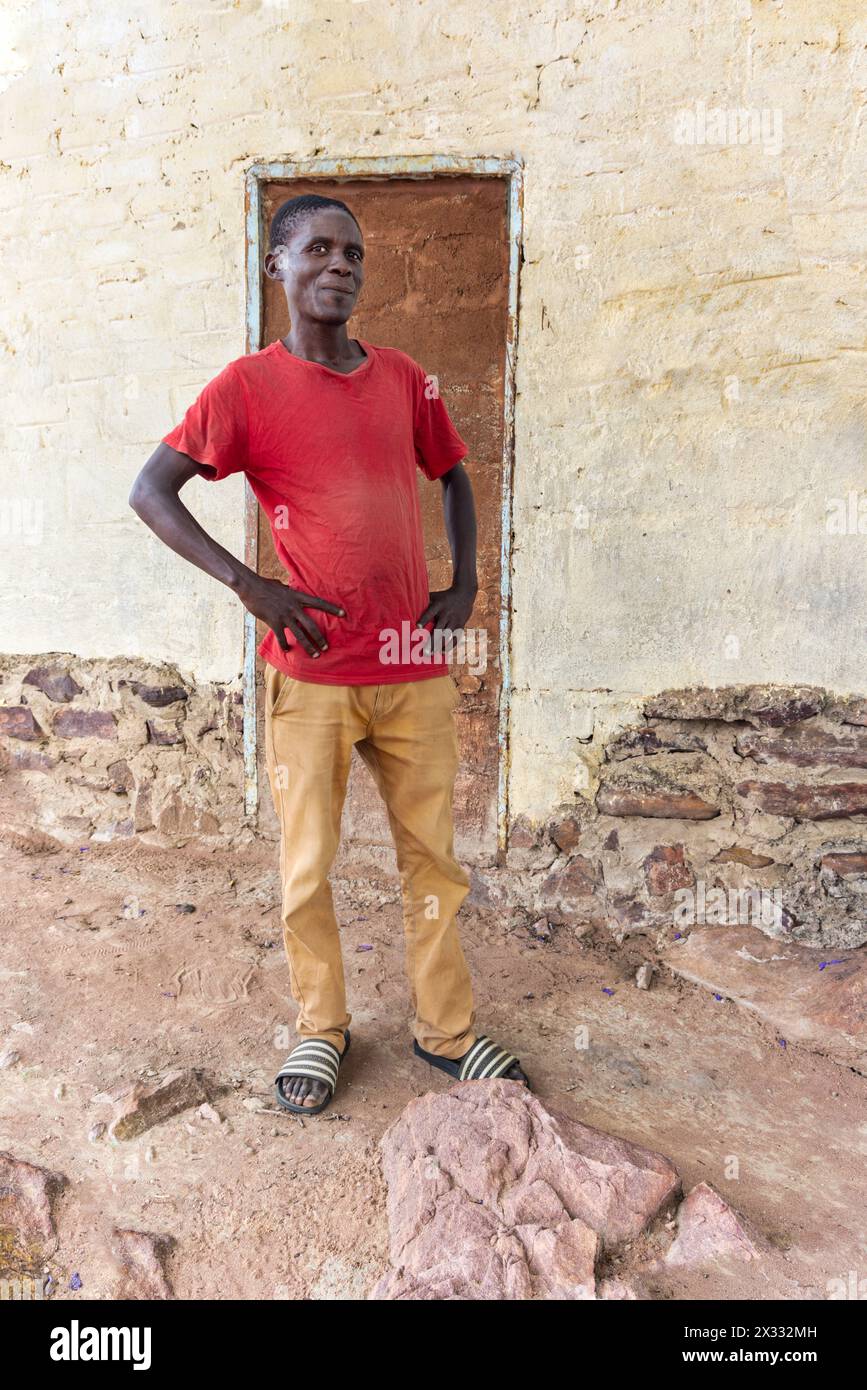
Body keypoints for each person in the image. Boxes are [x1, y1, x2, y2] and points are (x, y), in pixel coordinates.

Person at [129, 193, 530, 1114]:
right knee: (307, 864)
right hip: (308, 675)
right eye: (316, 248)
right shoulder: (245, 389)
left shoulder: (405, 379)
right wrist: (249, 584)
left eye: (352, 252)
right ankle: (321, 1027)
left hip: (409, 668)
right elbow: (152, 492)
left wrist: (465, 582)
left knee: (433, 859)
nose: (339, 264)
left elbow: (455, 473)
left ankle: (448, 1034)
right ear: (277, 267)